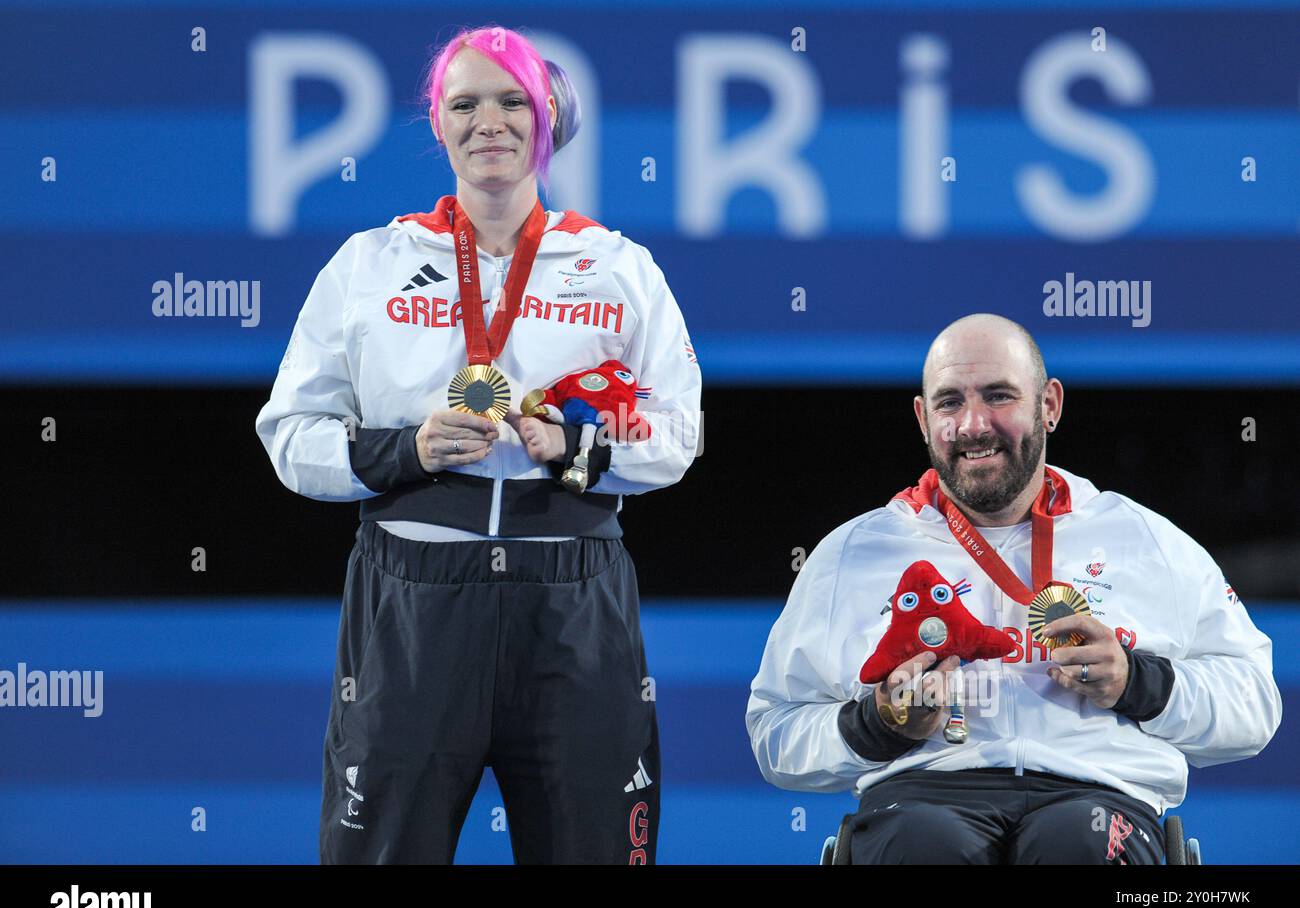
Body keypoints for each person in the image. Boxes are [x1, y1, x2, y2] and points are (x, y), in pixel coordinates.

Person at [255, 24, 701, 864]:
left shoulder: (618, 267)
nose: (487, 121)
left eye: (510, 101)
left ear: (547, 116)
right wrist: (405, 451)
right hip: (413, 600)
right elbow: (288, 434)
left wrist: (574, 448)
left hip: (574, 598)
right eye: (463, 103)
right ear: (437, 123)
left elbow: (679, 433)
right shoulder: (370, 264)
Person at [746, 313, 1281, 864]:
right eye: (950, 402)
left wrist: (1139, 681)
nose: (974, 424)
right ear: (923, 418)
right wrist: (876, 724)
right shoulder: (854, 553)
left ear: (1048, 405)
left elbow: (1255, 704)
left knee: (1078, 842)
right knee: (925, 846)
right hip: (921, 797)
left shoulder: (1145, 540)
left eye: (999, 396)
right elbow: (774, 730)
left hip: (1097, 794)